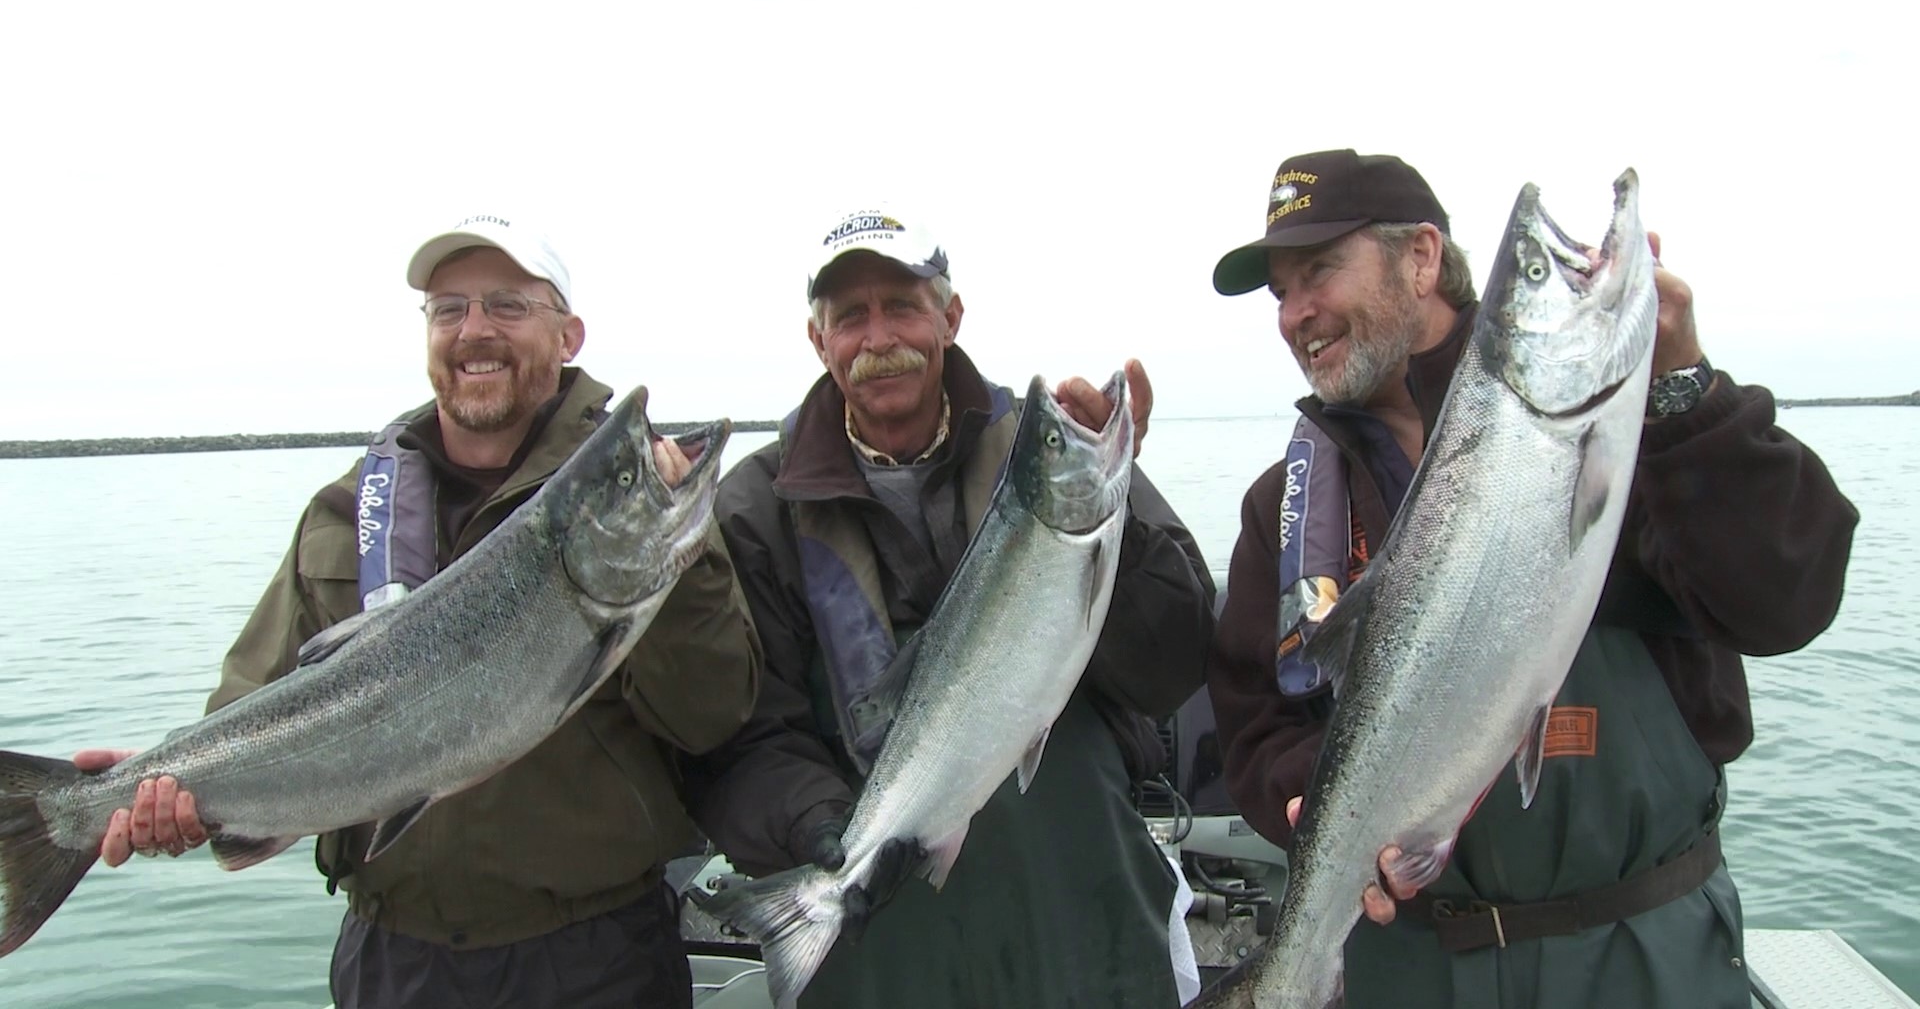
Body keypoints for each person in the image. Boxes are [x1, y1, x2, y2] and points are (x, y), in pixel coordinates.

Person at [1204, 149, 1858, 1008]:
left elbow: (1789, 600)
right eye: (1281, 292)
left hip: (1642, 951)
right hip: (1411, 963)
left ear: (1423, 257)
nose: (1296, 314)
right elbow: (1257, 724)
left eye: (1320, 270)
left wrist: (1683, 393)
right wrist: (1305, 800)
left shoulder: (1637, 433)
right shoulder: (1281, 507)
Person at [74, 214, 763, 1009]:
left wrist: (670, 554)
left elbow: (713, 718)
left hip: (597, 956)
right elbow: (248, 715)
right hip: (392, 961)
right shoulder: (346, 514)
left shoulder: (637, 493)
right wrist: (166, 786)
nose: (475, 331)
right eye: (449, 309)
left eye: (507, 304)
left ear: (568, 334)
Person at [680, 207, 1218, 1008]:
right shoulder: (756, 508)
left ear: (950, 318)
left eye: (902, 306)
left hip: (1083, 898)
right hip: (883, 931)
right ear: (817, 339)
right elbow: (744, 736)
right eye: (851, 317)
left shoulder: (1053, 451)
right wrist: (824, 830)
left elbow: (1172, 664)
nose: (878, 337)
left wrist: (1123, 527)